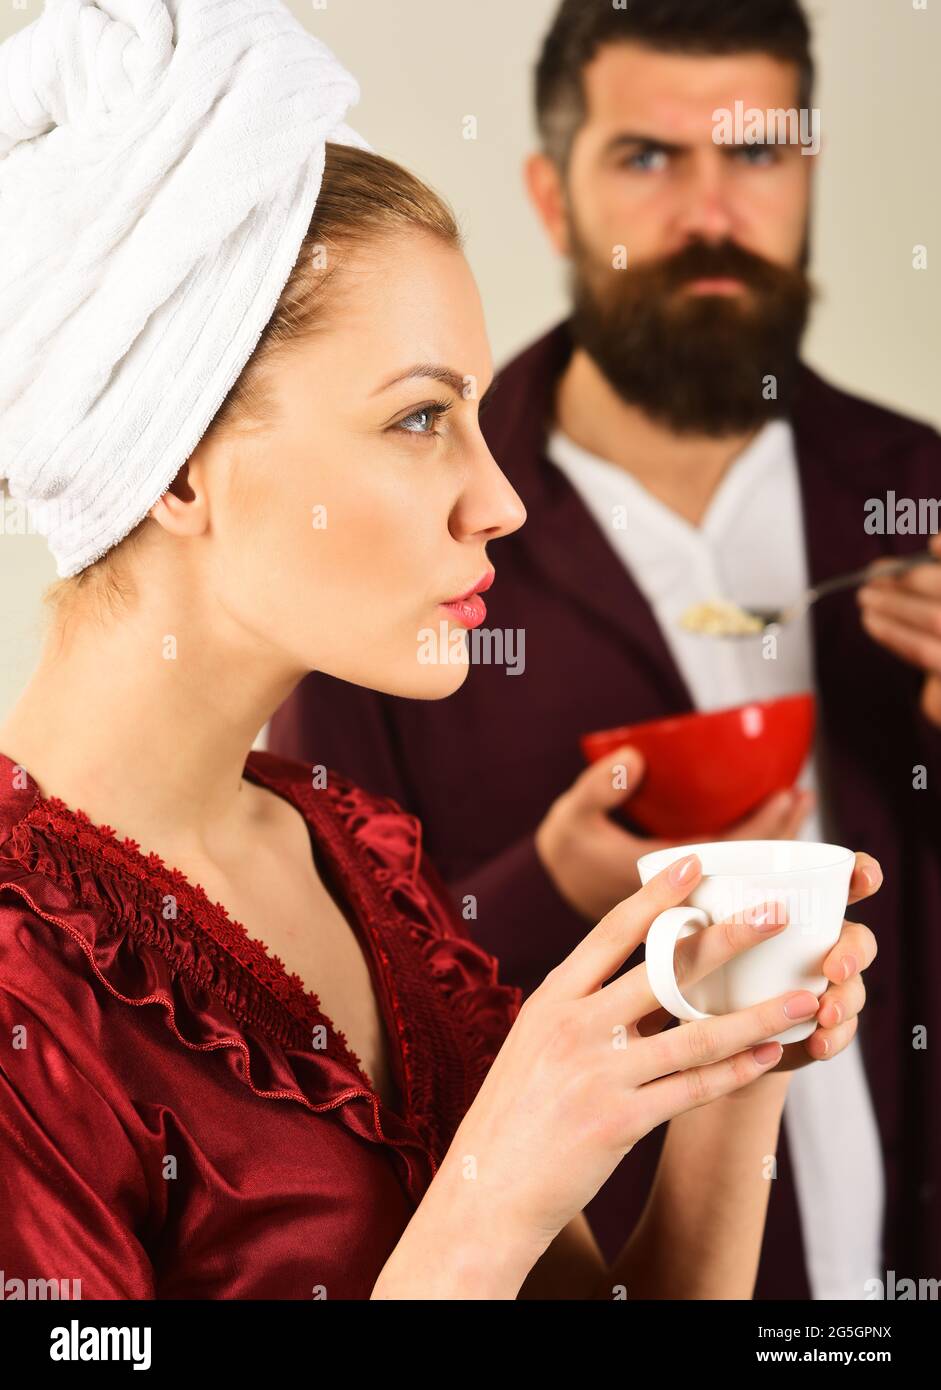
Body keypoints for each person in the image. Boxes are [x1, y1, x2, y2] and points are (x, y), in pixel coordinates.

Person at [0, 0, 880, 1301]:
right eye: (419, 418)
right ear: (178, 467)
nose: (499, 498)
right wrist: (487, 1195)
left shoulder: (359, 858)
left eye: (472, 411)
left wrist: (731, 1064)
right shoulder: (28, 979)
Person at [267, 0, 941, 1299]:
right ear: (549, 193)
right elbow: (330, 1030)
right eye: (646, 157)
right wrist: (549, 890)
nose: (708, 211)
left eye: (754, 153)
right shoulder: (409, 531)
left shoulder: (914, 489)